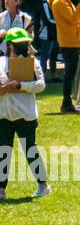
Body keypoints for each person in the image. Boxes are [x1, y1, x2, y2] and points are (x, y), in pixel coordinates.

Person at [0, 28, 50, 200]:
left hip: (25, 114)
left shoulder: (33, 63)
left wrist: (21, 85)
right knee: (3, 151)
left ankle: (43, 184)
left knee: (30, 149)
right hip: (4, 114)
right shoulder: (0, 62)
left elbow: (41, 85)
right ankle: (1, 189)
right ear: (10, 45)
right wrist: (5, 87)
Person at [49, 0, 80, 114]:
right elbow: (73, 19)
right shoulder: (59, 1)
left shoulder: (66, 0)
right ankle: (66, 103)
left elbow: (77, 15)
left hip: (73, 40)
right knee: (69, 73)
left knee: (70, 73)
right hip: (68, 41)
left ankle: (67, 103)